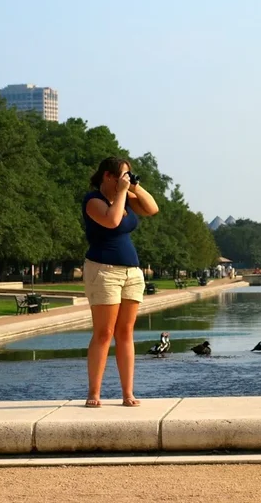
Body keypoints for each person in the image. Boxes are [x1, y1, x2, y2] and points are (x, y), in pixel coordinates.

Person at [83, 157, 159, 408]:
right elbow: (113, 221)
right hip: (103, 271)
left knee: (125, 332)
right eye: (122, 176)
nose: (125, 180)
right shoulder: (93, 201)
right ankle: (94, 393)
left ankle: (128, 393)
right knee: (104, 333)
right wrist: (123, 193)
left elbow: (152, 208)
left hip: (131, 274)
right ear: (107, 176)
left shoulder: (126, 196)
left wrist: (134, 187)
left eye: (129, 175)